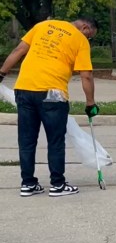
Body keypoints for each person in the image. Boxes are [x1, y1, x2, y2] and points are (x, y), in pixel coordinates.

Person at [0, 17, 100, 197]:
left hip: (23, 88)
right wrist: (90, 103)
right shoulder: (80, 39)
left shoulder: (42, 26)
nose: (89, 39)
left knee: (27, 140)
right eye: (90, 35)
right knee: (55, 140)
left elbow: (19, 50)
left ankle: (28, 183)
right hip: (52, 93)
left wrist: (1, 73)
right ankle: (58, 184)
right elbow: (86, 75)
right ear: (85, 27)